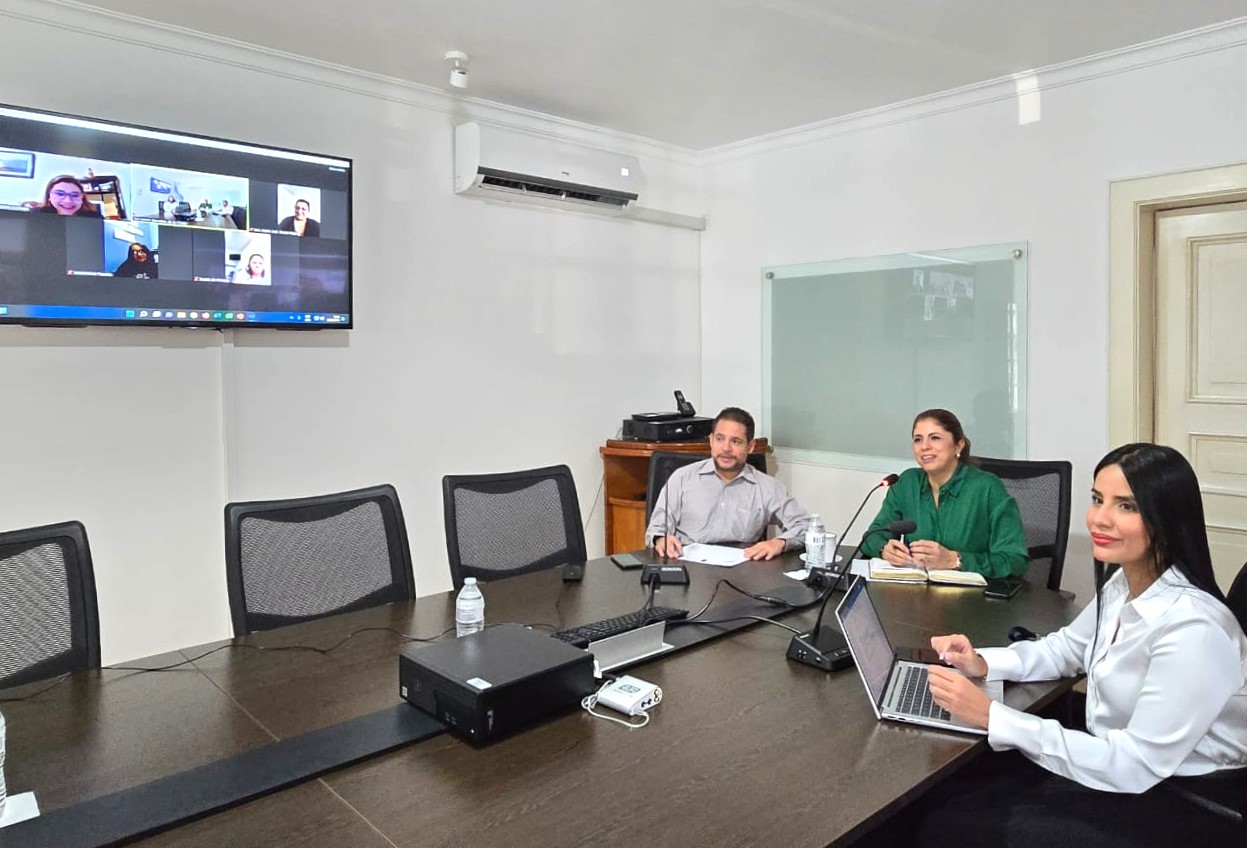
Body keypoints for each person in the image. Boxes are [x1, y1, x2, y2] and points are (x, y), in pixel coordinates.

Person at [908, 443, 1247, 846]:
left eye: (1126, 506)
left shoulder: (1194, 629)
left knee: (950, 824)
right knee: (950, 794)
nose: (1099, 519)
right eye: (1097, 499)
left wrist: (993, 717)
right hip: (1118, 764)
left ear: (1168, 519)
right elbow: (1067, 649)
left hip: (1184, 796)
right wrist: (982, 662)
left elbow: (1134, 765)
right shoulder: (1127, 582)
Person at [859, 408, 1027, 578]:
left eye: (935, 438)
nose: (924, 446)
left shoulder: (988, 487)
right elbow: (872, 537)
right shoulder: (907, 482)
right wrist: (884, 549)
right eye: (918, 439)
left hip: (974, 599)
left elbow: (1015, 561)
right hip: (917, 594)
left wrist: (955, 560)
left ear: (958, 445)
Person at [646, 406, 811, 561]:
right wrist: (661, 539)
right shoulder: (682, 478)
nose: (726, 448)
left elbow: (806, 526)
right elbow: (656, 529)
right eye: (720, 439)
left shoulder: (767, 487)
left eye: (736, 441)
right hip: (688, 569)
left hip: (742, 575)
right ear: (711, 441)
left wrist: (779, 543)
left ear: (751, 446)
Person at [33, 175, 101, 217]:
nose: (68, 200)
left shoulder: (94, 218)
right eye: (60, 194)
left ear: (82, 198)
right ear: (49, 196)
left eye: (75, 195)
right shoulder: (37, 215)